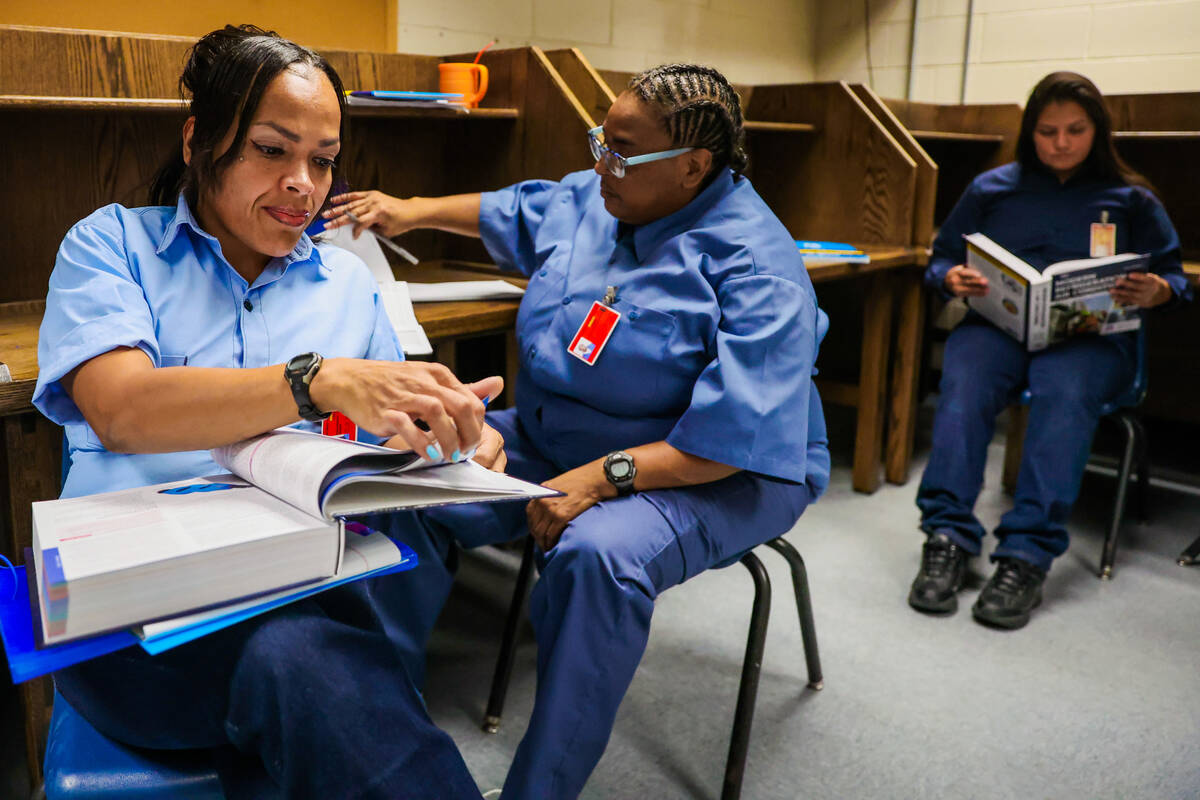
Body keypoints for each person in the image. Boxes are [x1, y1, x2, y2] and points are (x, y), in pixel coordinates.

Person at [323, 63, 831, 799]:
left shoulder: (759, 270)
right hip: (552, 437)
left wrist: (600, 479)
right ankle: (371, 730)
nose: (600, 163)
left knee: (597, 557)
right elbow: (519, 210)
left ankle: (543, 789)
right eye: (601, 139)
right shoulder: (606, 195)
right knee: (401, 483)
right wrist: (409, 211)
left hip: (717, 469)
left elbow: (724, 441)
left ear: (693, 168)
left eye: (621, 151)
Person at [33, 25, 503, 799]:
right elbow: (121, 410)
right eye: (272, 150)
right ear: (199, 140)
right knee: (311, 668)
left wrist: (458, 444)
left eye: (323, 160)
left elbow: (396, 426)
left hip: (307, 588)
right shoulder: (110, 246)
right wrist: (313, 382)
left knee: (311, 664)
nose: (303, 184)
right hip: (142, 621)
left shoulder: (347, 284)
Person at [909, 71, 1191, 629]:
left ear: (1098, 131)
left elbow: (1174, 278)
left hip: (1090, 339)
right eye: (1046, 131)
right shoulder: (992, 188)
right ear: (1029, 133)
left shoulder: (1131, 199)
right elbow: (939, 260)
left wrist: (1157, 289)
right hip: (999, 328)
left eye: (1075, 130)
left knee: (1065, 391)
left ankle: (1025, 557)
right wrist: (952, 279)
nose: (1060, 143)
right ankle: (947, 535)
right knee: (964, 377)